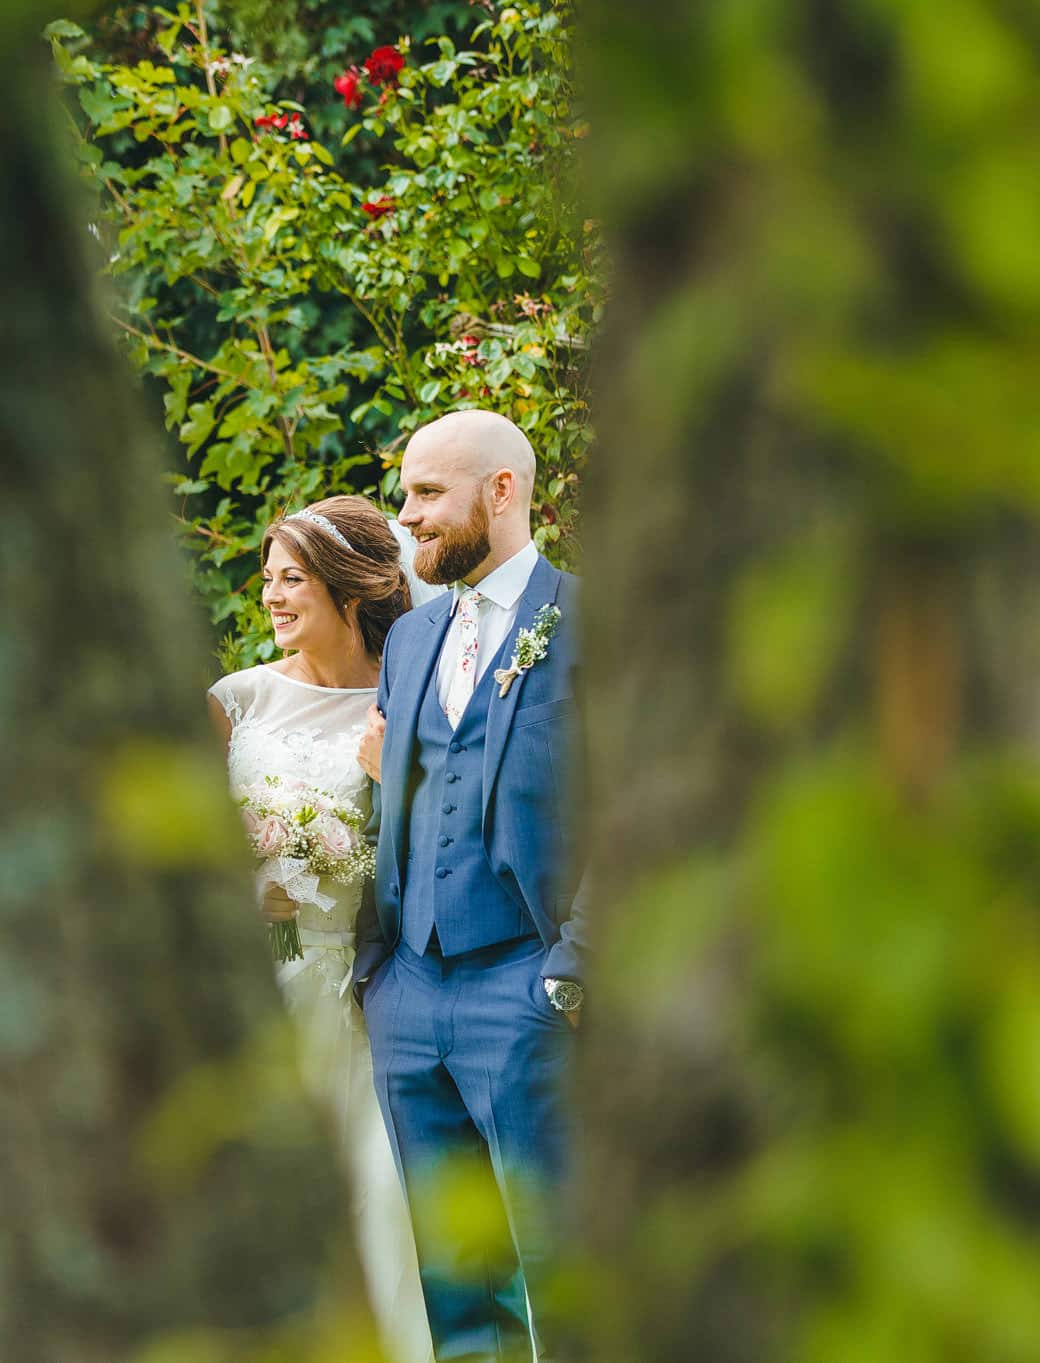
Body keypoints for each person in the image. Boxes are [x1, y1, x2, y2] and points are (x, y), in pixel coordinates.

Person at [352, 410, 586, 1362]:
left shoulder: (590, 625)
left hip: (529, 986)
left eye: (427, 493)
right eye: (406, 491)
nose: (406, 516)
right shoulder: (409, 644)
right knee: (455, 1281)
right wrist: (377, 974)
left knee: (561, 1267)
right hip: (410, 991)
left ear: (503, 492)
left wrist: (573, 974)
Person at [206, 495, 433, 1363]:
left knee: (378, 1209)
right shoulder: (238, 699)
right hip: (259, 985)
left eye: (291, 578)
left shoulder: (407, 708)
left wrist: (398, 779)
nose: (270, 596)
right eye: (266, 578)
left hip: (362, 999)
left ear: (350, 592)